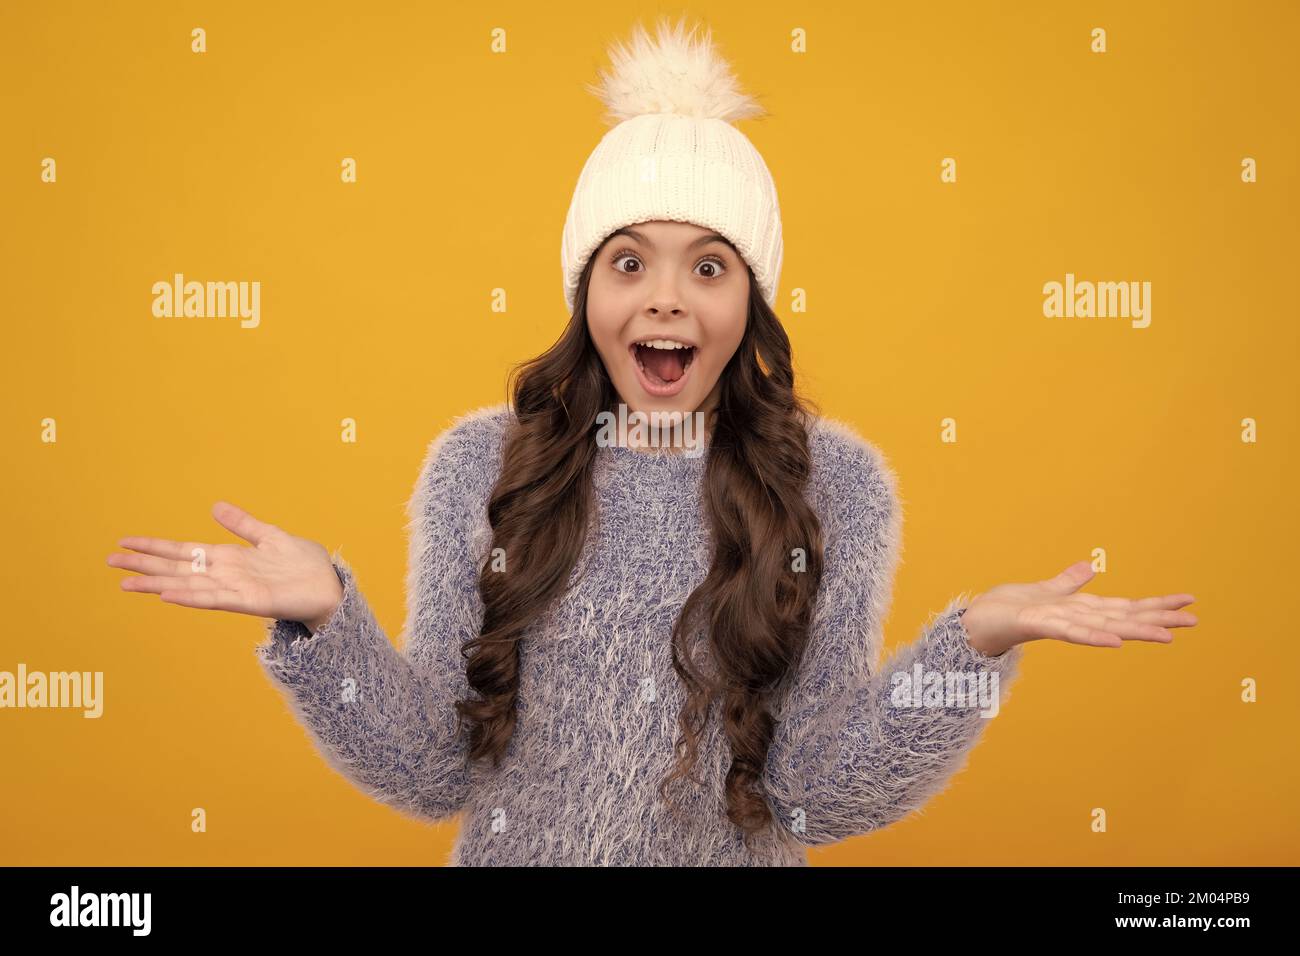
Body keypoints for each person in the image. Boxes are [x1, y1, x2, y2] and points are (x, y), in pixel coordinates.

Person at [106, 16, 1197, 866]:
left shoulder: (835, 484)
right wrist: (326, 619)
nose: (666, 300)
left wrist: (975, 645)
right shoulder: (484, 466)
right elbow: (435, 768)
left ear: (751, 298)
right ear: (586, 289)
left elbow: (818, 788)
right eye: (629, 262)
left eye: (706, 265)